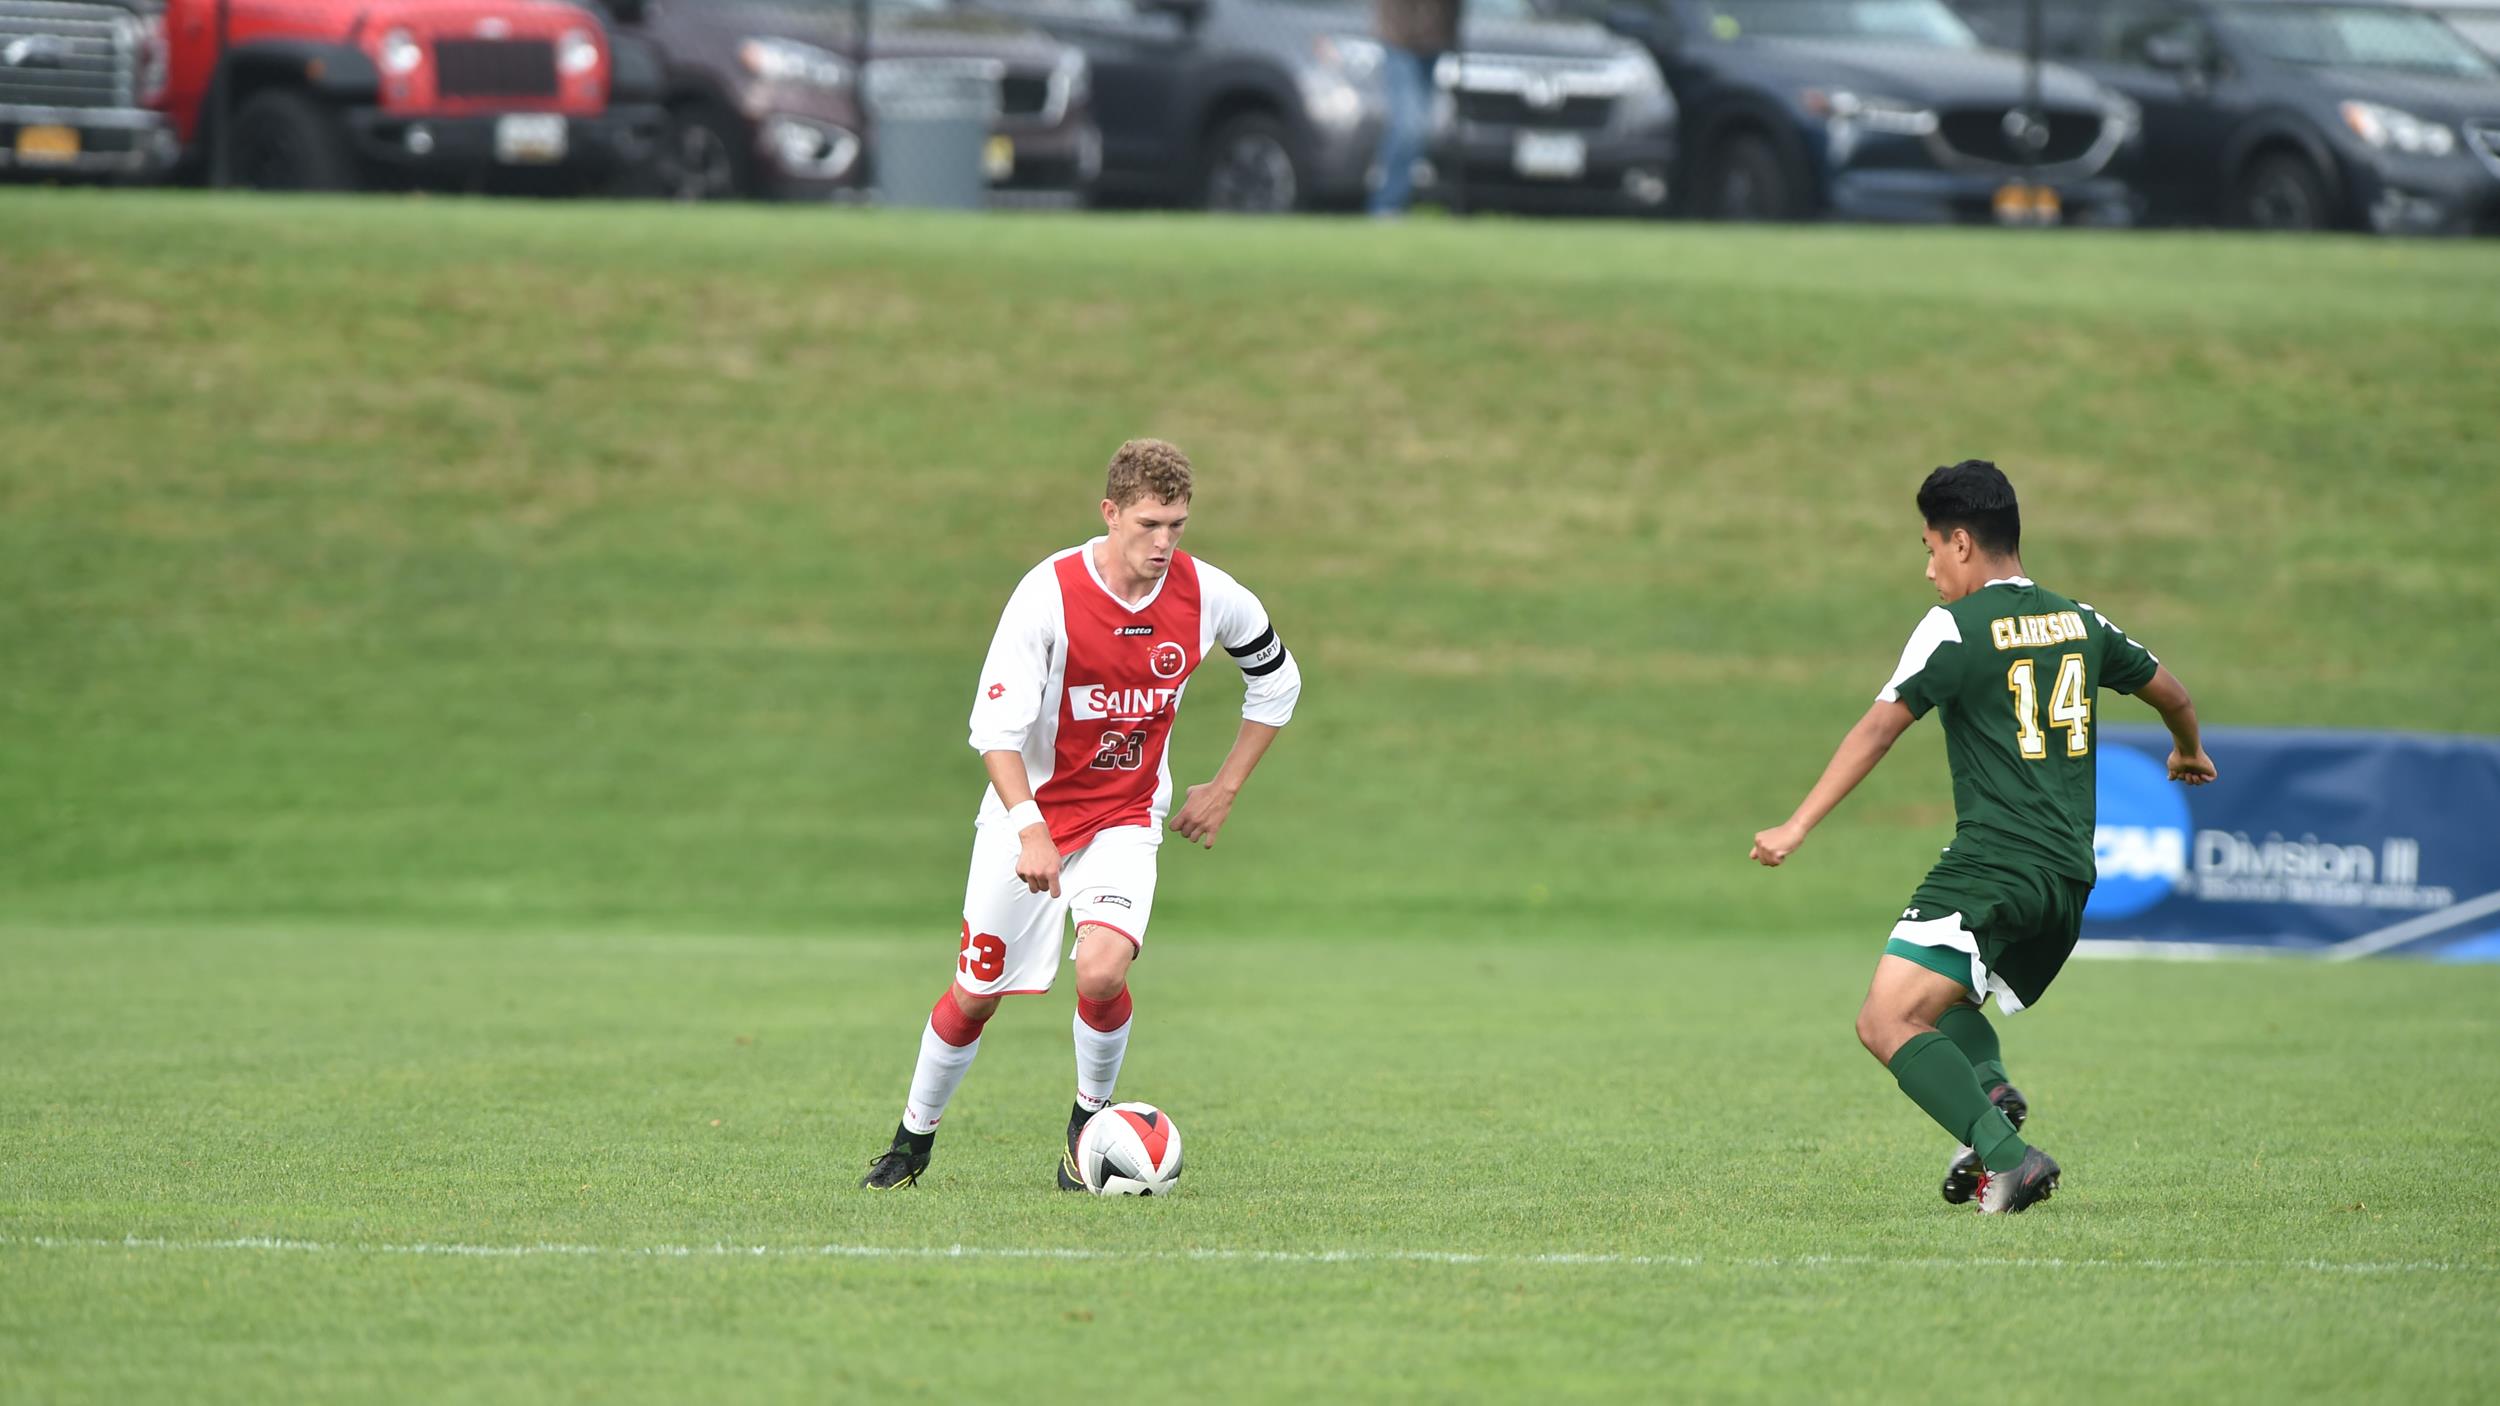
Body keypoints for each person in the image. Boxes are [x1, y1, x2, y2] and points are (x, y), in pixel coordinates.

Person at [1748, 460, 2216, 1214]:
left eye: (1930, 546)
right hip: (2067, 879)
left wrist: (1797, 824)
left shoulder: (1953, 628)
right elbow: (2174, 692)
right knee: (1942, 1002)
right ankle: (1992, 1093)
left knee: (1884, 1020)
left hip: (1995, 863)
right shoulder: (2080, 620)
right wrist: (2187, 749)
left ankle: (2008, 1157)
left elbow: (1879, 728)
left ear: (1962, 542)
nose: (1928, 567)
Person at [861, 439, 1302, 1190]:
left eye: (1178, 525)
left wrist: (1224, 786)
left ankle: (1086, 1129)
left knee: (1101, 970)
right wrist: (1030, 829)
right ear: (1110, 513)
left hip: (1126, 818)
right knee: (975, 994)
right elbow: (994, 734)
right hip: (1024, 817)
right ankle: (911, 1143)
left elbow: (1278, 681)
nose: (1164, 543)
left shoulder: (1212, 596)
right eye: (1149, 524)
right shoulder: (1048, 595)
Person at [1371, 0, 1460, 216]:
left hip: (1434, 41)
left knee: (1419, 128)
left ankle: (1390, 198)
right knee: (1409, 127)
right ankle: (1386, 205)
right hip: (1400, 38)